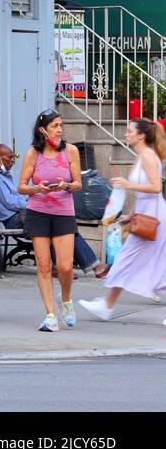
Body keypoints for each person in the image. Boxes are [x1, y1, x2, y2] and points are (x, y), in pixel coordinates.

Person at [79, 118, 166, 321]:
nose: (126, 134)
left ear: (141, 135)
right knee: (149, 263)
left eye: (129, 131)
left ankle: (107, 306)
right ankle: (106, 306)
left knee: (128, 260)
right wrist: (131, 214)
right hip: (146, 216)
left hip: (154, 218)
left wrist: (127, 184)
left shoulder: (148, 157)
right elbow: (143, 194)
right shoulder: (142, 156)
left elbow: (156, 188)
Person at [0, 143, 106, 278]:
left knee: (61, 222)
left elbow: (18, 198)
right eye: (10, 157)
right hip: (13, 219)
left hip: (23, 215)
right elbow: (10, 202)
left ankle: (61, 267)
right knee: (54, 222)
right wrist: (34, 202)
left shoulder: (5, 176)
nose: (13, 160)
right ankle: (89, 266)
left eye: (15, 157)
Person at [16, 109, 84, 332]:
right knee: (44, 265)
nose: (59, 130)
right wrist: (37, 188)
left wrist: (66, 186)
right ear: (42, 130)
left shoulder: (71, 151)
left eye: (61, 125)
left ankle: (65, 299)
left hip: (63, 212)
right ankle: (50, 315)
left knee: (64, 267)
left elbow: (78, 183)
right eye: (55, 126)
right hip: (38, 212)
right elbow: (21, 186)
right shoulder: (32, 154)